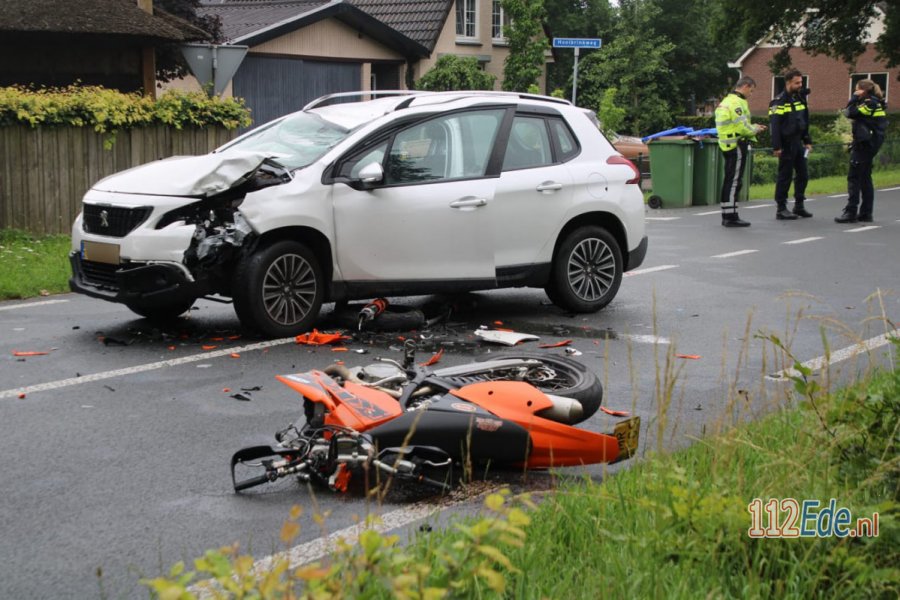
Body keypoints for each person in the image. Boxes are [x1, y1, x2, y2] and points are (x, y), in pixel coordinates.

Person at [835, 79, 888, 223]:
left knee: (854, 177)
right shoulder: (875, 102)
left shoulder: (870, 103)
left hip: (865, 145)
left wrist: (853, 99)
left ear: (862, 91)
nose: (855, 92)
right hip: (869, 144)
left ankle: (851, 212)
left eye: (856, 90)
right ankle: (865, 213)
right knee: (865, 177)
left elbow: (849, 113)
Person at [716, 76, 766, 227]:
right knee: (733, 182)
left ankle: (728, 213)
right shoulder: (737, 103)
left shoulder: (726, 101)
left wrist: (752, 127)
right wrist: (756, 129)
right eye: (751, 90)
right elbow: (741, 127)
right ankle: (730, 217)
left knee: (730, 180)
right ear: (745, 86)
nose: (751, 93)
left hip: (727, 145)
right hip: (736, 144)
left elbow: (736, 124)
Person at [769, 69, 812, 220]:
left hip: (798, 142)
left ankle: (799, 205)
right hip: (786, 144)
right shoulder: (779, 101)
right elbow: (775, 125)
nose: (800, 85)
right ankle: (781, 208)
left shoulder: (800, 98)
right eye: (797, 83)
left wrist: (807, 141)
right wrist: (776, 146)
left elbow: (804, 121)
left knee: (803, 175)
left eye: (801, 82)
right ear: (788, 82)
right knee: (785, 176)